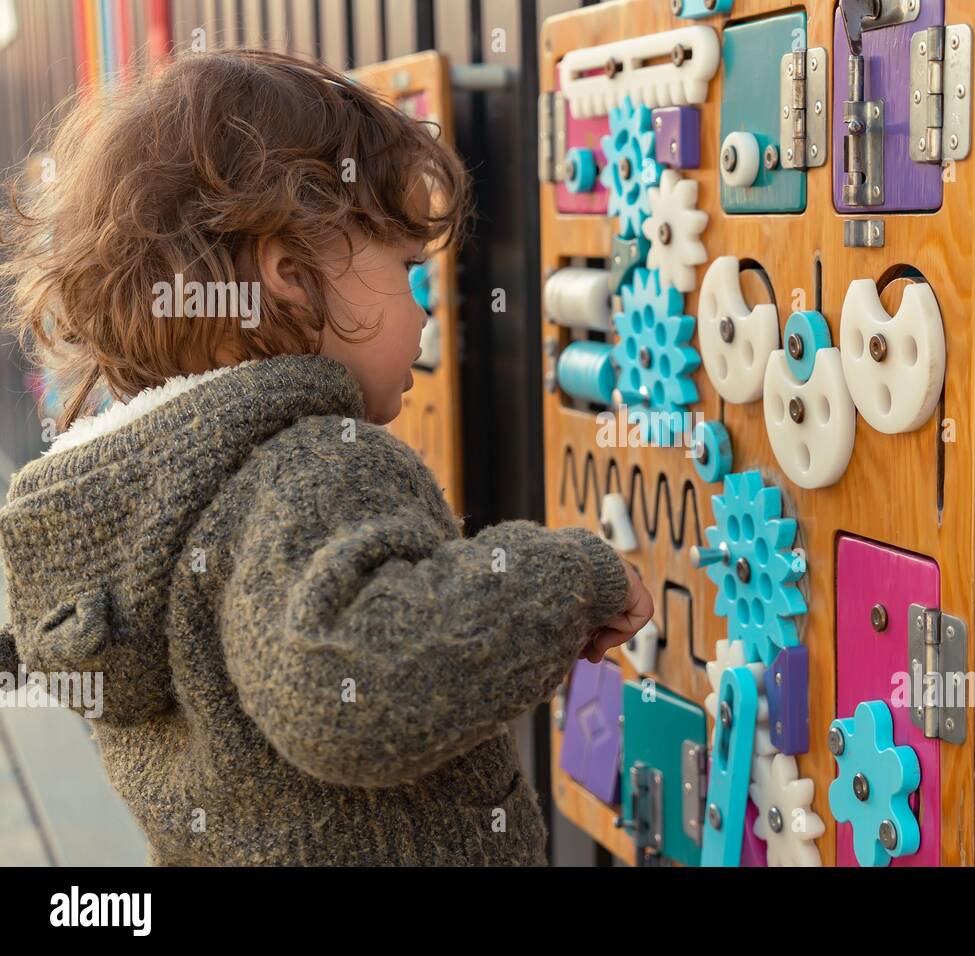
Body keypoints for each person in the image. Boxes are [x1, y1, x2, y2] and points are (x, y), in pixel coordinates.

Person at [0, 49, 652, 865]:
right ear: (290, 279)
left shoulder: (127, 510)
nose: (423, 318)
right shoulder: (308, 467)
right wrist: (570, 578)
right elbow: (352, 680)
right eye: (407, 273)